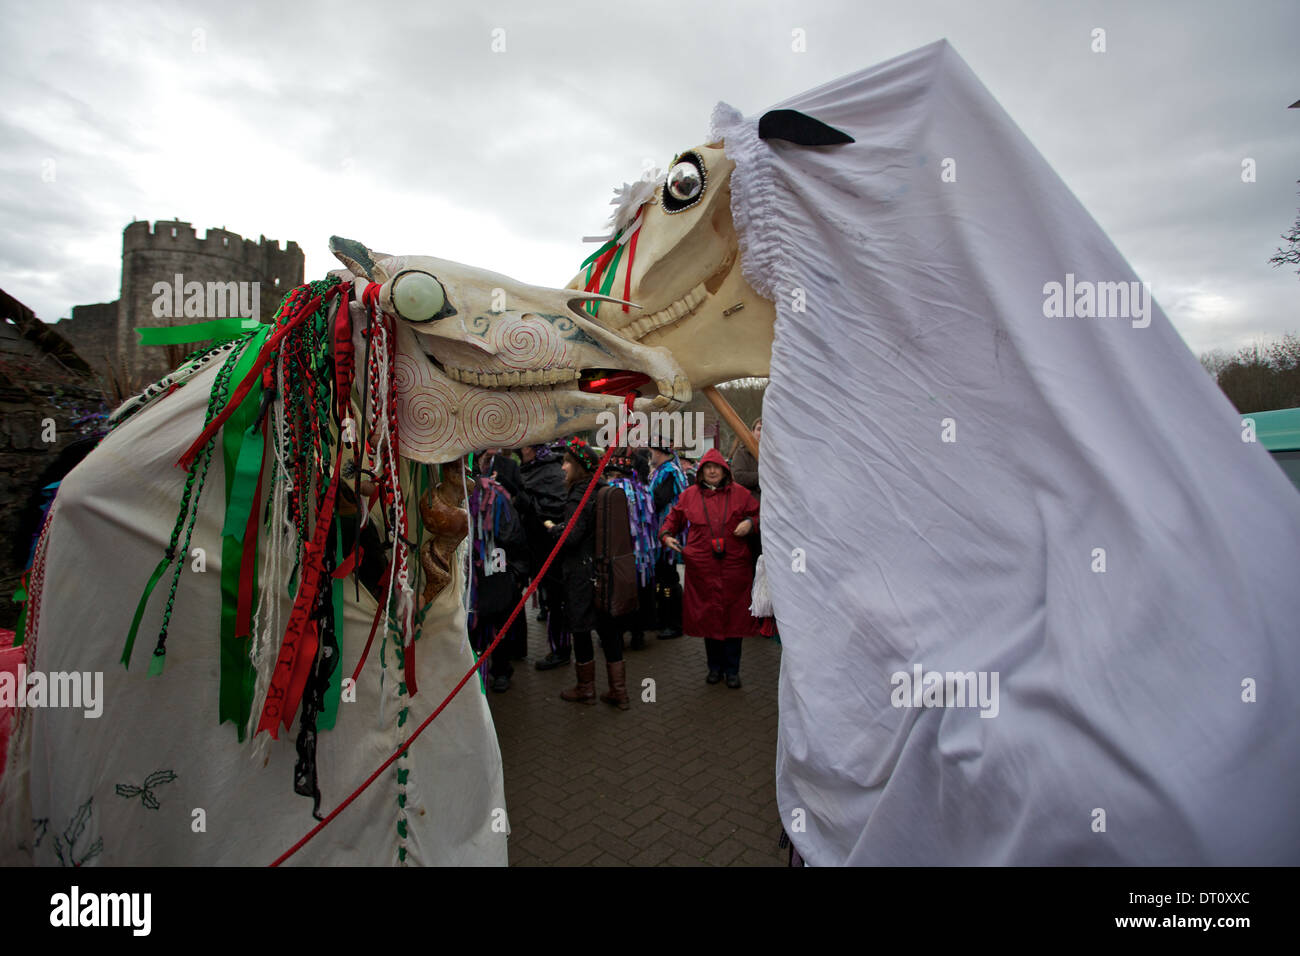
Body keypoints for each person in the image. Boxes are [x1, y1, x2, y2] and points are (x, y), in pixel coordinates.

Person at [659, 448, 761, 688]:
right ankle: (714, 668)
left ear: (725, 470)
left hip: (734, 569)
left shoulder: (742, 494)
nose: (712, 471)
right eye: (707, 468)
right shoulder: (689, 495)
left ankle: (732, 670)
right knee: (708, 619)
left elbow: (759, 515)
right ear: (702, 472)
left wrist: (749, 523)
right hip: (703, 568)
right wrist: (665, 535)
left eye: (716, 467)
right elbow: (672, 519)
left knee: (734, 621)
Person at [545, 438, 629, 709]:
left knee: (580, 629)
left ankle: (585, 688)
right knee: (609, 631)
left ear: (580, 466)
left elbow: (571, 537)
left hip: (581, 575)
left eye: (567, 462)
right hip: (605, 571)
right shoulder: (604, 489)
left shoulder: (579, 493)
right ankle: (619, 691)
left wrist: (554, 529)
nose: (563, 467)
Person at [515, 442, 570, 669]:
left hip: (553, 550)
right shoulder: (530, 469)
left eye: (523, 449)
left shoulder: (550, 470)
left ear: (530, 450)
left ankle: (561, 650)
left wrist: (525, 501)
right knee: (551, 600)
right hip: (536, 549)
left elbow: (554, 509)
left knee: (558, 601)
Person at [604, 449, 658, 651]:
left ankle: (619, 634)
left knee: (617, 592)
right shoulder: (643, 491)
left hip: (617, 556)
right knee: (638, 589)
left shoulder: (609, 491)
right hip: (639, 557)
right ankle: (637, 633)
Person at [647, 445, 688, 638]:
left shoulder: (670, 472)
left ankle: (674, 624)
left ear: (660, 452)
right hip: (661, 534)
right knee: (663, 576)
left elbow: (658, 499)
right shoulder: (662, 471)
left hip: (669, 534)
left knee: (669, 577)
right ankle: (663, 619)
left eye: (651, 451)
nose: (650, 455)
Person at [728, 417, 762, 498]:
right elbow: (738, 476)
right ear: (752, 432)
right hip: (751, 500)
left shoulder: (776, 454)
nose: (762, 432)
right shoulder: (742, 452)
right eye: (759, 429)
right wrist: (763, 476)